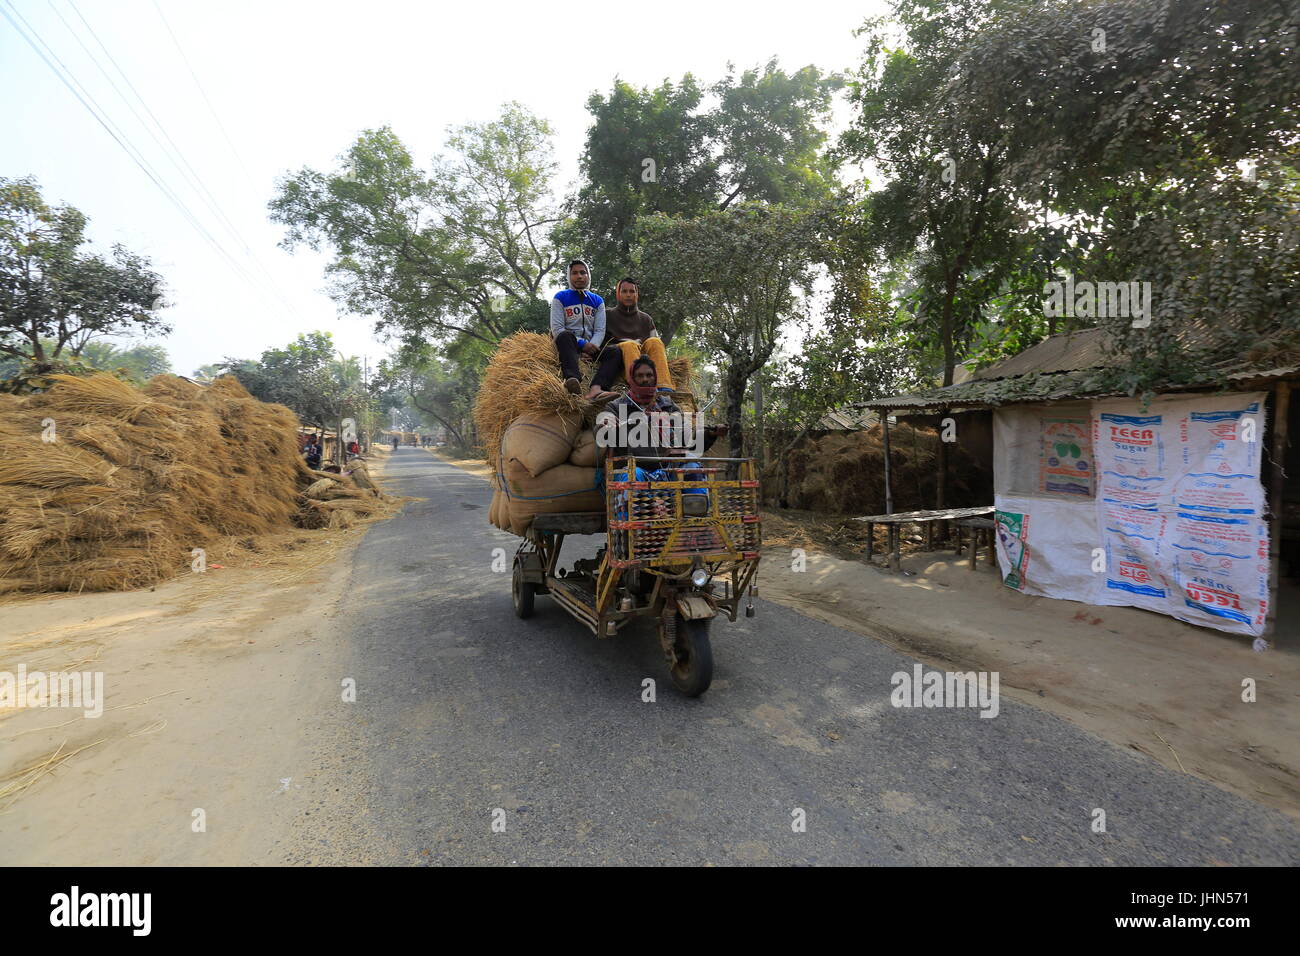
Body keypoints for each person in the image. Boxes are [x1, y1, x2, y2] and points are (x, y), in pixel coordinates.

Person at [550, 258, 621, 401]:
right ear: (569, 277)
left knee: (615, 352)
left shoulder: (597, 300)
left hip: (592, 347)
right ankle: (572, 379)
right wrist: (582, 345)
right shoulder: (560, 297)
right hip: (569, 346)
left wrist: (591, 347)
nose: (579, 276)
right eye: (574, 273)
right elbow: (557, 328)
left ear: (588, 275)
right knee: (564, 335)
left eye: (583, 272)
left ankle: (597, 389)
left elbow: (600, 330)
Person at [605, 277, 674, 393]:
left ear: (637, 295)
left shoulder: (646, 319)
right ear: (618, 294)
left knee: (655, 342)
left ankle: (664, 388)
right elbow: (600, 343)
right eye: (624, 291)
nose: (628, 295)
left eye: (632, 291)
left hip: (645, 363)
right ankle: (638, 388)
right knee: (629, 345)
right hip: (620, 363)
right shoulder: (607, 315)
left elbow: (655, 350)